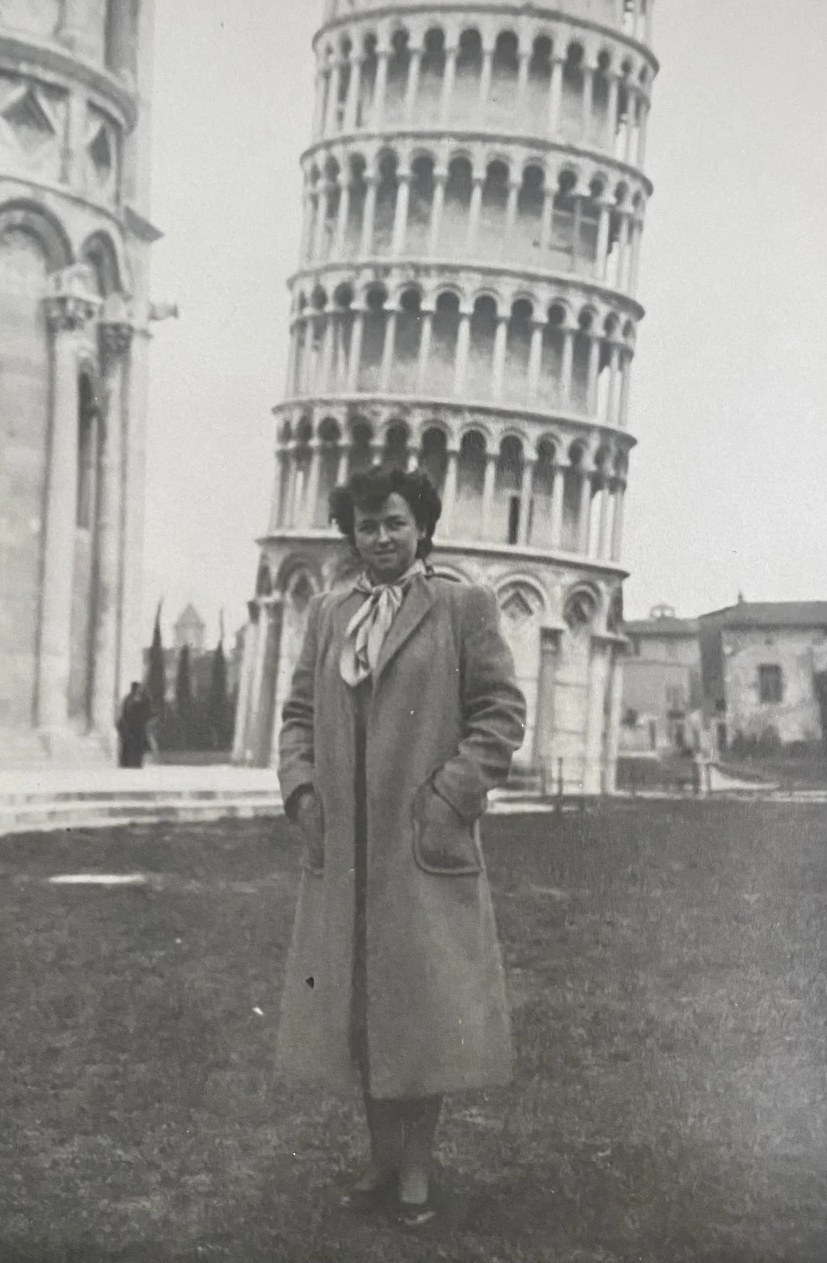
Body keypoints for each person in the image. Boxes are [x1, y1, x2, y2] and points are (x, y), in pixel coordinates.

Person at [275, 465, 526, 1227]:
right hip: (346, 851)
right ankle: (382, 1161)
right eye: (366, 526)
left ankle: (416, 1172)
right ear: (350, 535)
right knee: (359, 1012)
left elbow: (500, 713)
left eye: (394, 523)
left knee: (423, 1013)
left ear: (422, 527)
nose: (380, 538)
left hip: (419, 848)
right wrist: (302, 791)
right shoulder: (330, 612)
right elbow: (297, 714)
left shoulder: (460, 606)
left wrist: (450, 799)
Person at [117, 681, 154, 768]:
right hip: (132, 726)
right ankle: (128, 762)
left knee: (136, 745)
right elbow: (125, 712)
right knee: (131, 745)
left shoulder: (135, 699)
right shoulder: (131, 699)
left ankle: (134, 762)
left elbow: (147, 711)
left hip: (137, 726)